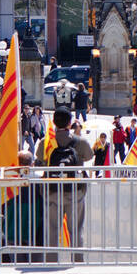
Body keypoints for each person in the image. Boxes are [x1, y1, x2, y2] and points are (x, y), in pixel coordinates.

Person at [33, 106, 94, 263]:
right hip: (75, 191)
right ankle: (77, 262)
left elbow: (40, 159)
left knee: (52, 230)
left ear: (54, 122)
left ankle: (52, 262)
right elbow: (88, 156)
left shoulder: (45, 143)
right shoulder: (79, 141)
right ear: (70, 123)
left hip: (51, 190)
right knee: (76, 230)